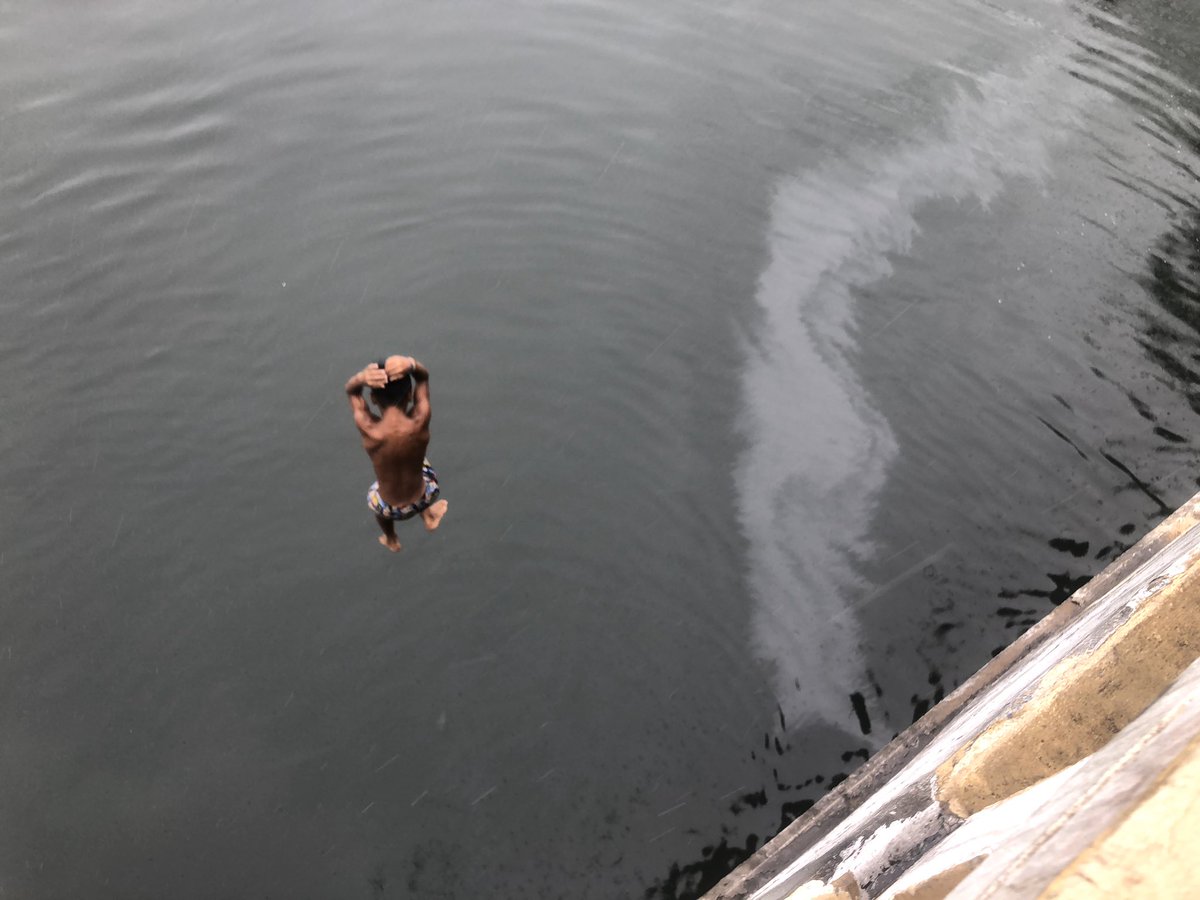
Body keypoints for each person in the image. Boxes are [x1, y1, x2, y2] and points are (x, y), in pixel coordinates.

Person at [345, 355, 448, 551]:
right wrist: (411, 364)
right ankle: (428, 516)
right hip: (427, 494)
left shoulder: (368, 428)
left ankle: (391, 538)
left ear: (373, 399)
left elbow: (351, 391)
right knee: (418, 460)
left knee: (377, 497)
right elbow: (423, 378)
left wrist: (361, 378)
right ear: (410, 395)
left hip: (390, 510)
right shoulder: (420, 419)